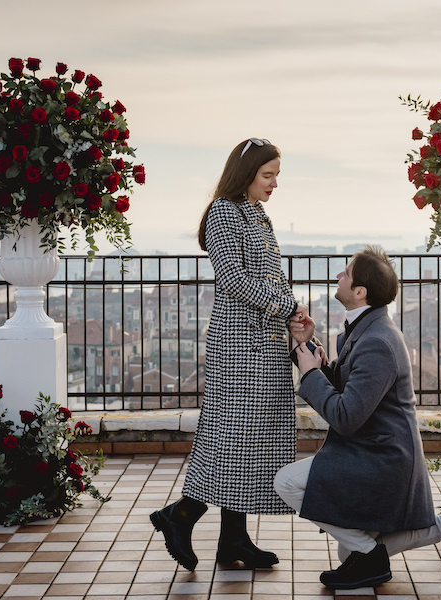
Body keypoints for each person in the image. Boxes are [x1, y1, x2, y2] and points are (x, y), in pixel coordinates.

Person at [275, 246, 441, 589]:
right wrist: (311, 349)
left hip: (382, 459)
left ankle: (373, 556)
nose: (337, 276)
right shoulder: (368, 329)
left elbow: (345, 416)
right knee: (349, 553)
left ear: (360, 292)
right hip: (372, 451)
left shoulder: (377, 342)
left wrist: (311, 375)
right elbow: (356, 391)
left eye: (345, 273)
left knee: (286, 482)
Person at [150, 138, 307, 570]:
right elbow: (233, 281)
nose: (275, 183)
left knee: (250, 442)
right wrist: (284, 306)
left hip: (267, 342)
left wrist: (293, 309)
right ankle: (180, 516)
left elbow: (273, 275)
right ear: (247, 174)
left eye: (277, 175)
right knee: (234, 439)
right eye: (268, 175)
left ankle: (232, 539)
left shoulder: (258, 214)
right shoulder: (224, 212)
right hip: (238, 344)